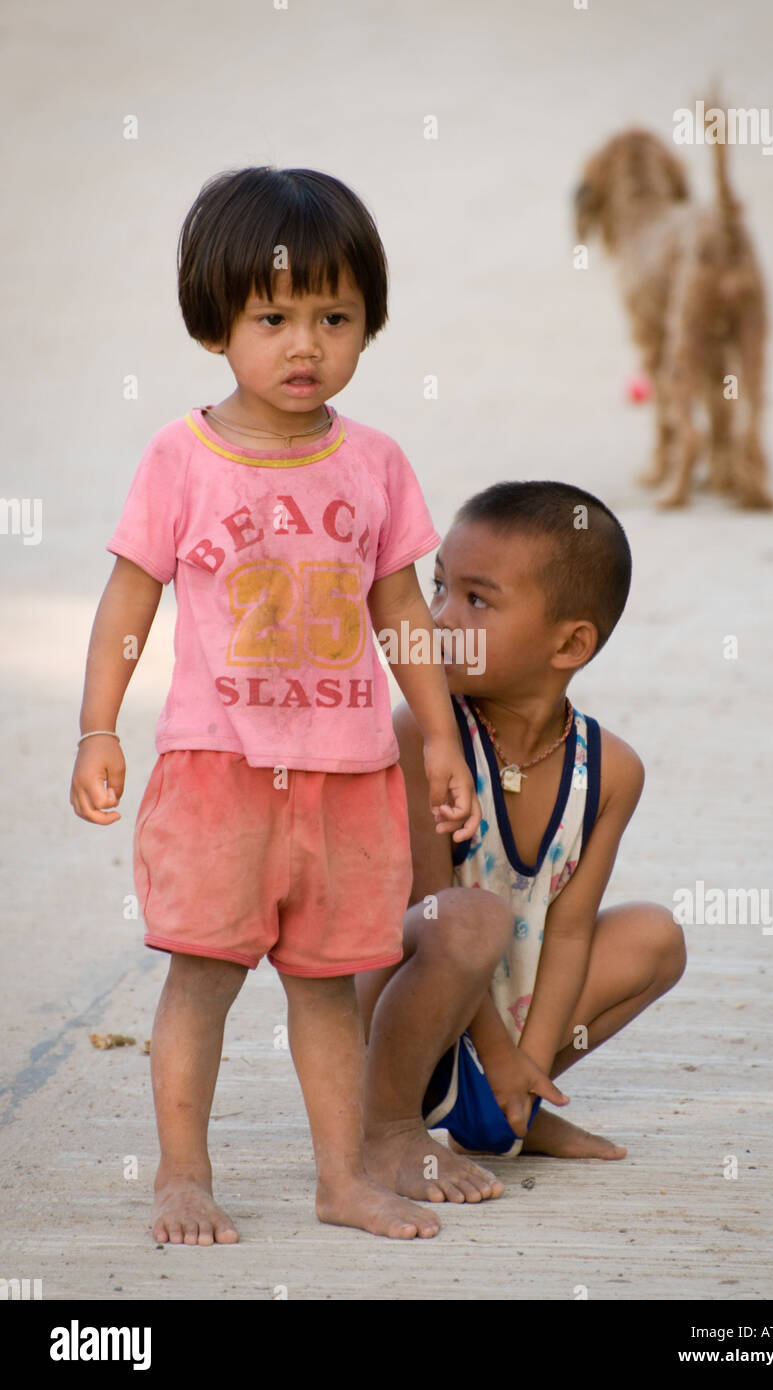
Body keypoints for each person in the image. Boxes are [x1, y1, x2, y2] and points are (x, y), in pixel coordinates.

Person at [69, 166, 481, 1244]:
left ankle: (341, 1179)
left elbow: (399, 607)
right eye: (274, 318)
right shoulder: (180, 458)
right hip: (218, 773)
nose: (305, 345)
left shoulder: (377, 463)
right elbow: (130, 597)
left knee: (327, 989)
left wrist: (436, 736)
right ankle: (180, 1174)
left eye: (333, 317)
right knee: (202, 979)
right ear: (217, 326)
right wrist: (99, 726)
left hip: (348, 775)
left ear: (367, 323)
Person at [358, 482, 687, 1205]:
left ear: (569, 643)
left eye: (476, 600)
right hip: (396, 1000)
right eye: (438, 586)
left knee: (655, 936)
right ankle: (384, 1126)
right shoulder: (426, 735)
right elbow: (425, 905)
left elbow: (568, 933)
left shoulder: (610, 771)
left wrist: (527, 1063)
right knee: (463, 917)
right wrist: (499, 1054)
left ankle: (509, 1113)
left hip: (506, 1007)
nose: (440, 617)